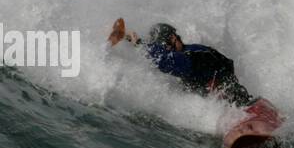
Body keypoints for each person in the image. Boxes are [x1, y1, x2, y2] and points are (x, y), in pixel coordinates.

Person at [107, 17, 254, 106]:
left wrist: (139, 43)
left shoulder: (190, 54)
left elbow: (164, 60)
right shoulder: (179, 53)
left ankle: (244, 107)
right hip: (213, 95)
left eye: (165, 45)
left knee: (230, 93)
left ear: (172, 38)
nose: (165, 49)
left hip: (231, 93)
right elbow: (158, 53)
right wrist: (127, 37)